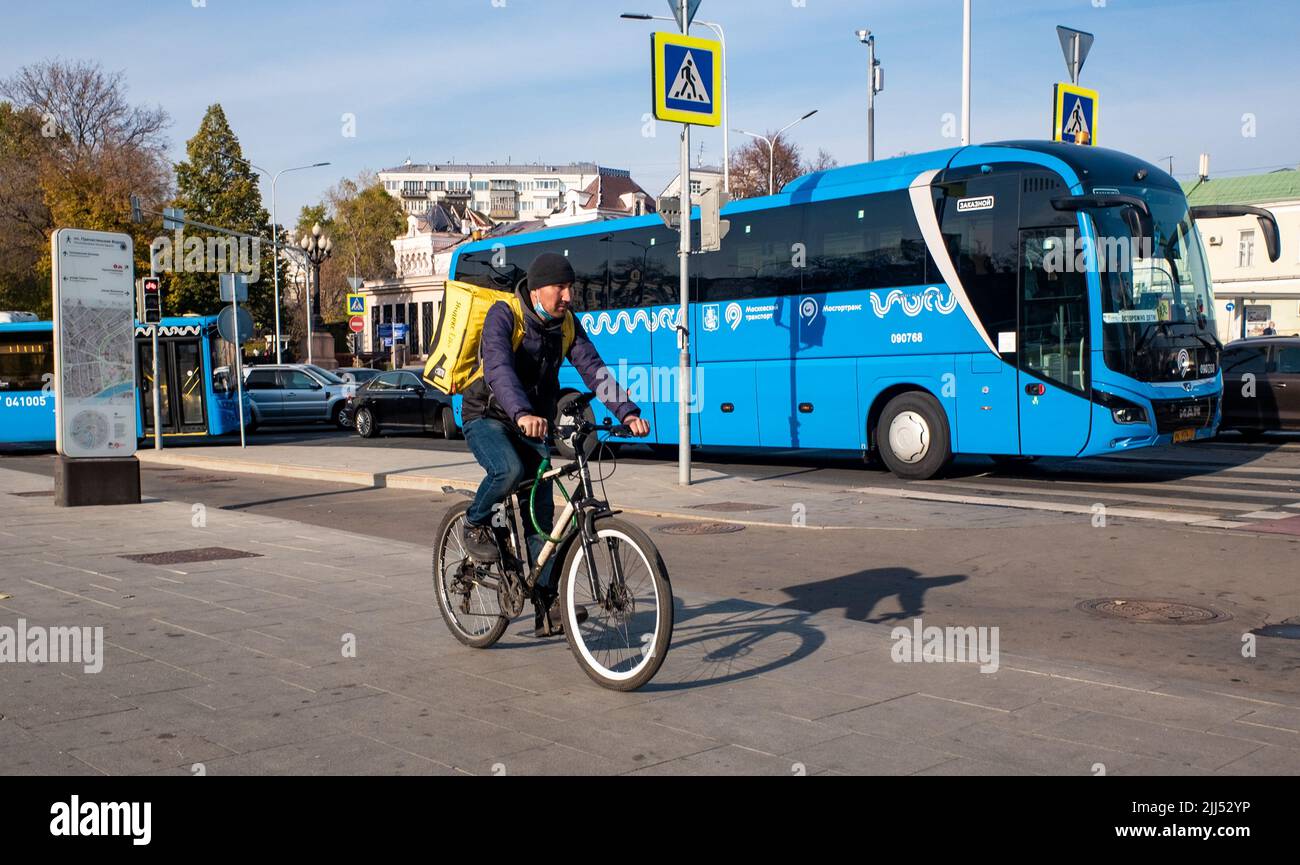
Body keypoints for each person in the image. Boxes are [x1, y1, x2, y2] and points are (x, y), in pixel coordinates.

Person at [459, 252, 650, 636]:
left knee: (542, 517)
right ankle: (475, 522)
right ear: (537, 288)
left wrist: (627, 412)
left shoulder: (566, 326)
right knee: (509, 470)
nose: (568, 297)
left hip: (533, 423)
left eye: (570, 288)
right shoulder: (504, 315)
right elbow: (497, 368)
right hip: (487, 415)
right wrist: (521, 413)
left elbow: (594, 370)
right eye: (561, 288)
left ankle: (548, 608)